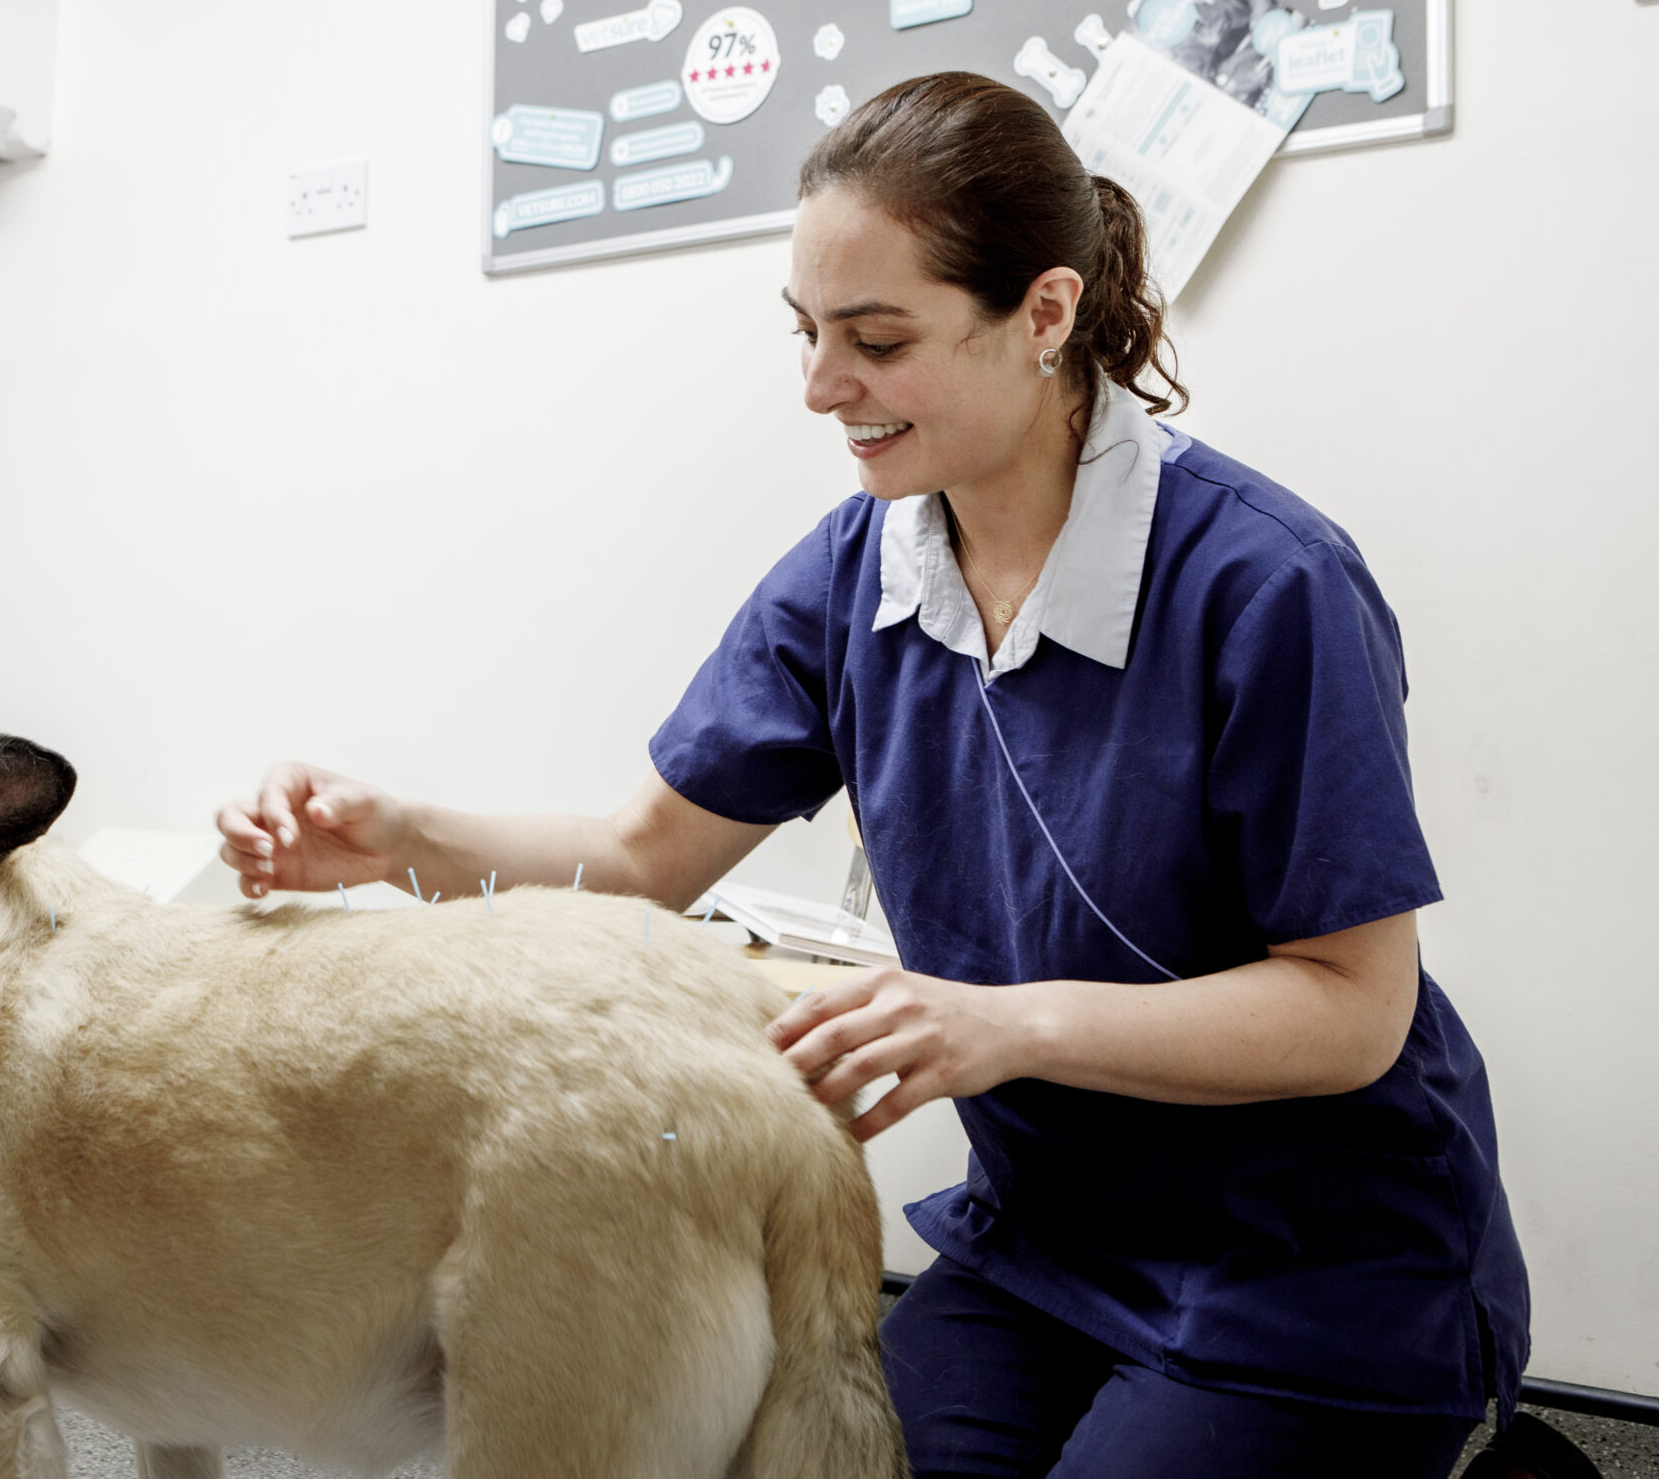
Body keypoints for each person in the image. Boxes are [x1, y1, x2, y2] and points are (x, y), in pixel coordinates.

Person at [218, 73, 1528, 1477]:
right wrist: (397, 835)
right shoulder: (855, 574)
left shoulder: (1269, 585)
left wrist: (1004, 1026)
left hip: (1321, 1259)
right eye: (807, 334)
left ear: (1042, 313)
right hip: (1050, 1247)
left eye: (877, 340)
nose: (820, 388)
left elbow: (1350, 1014)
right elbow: (650, 855)